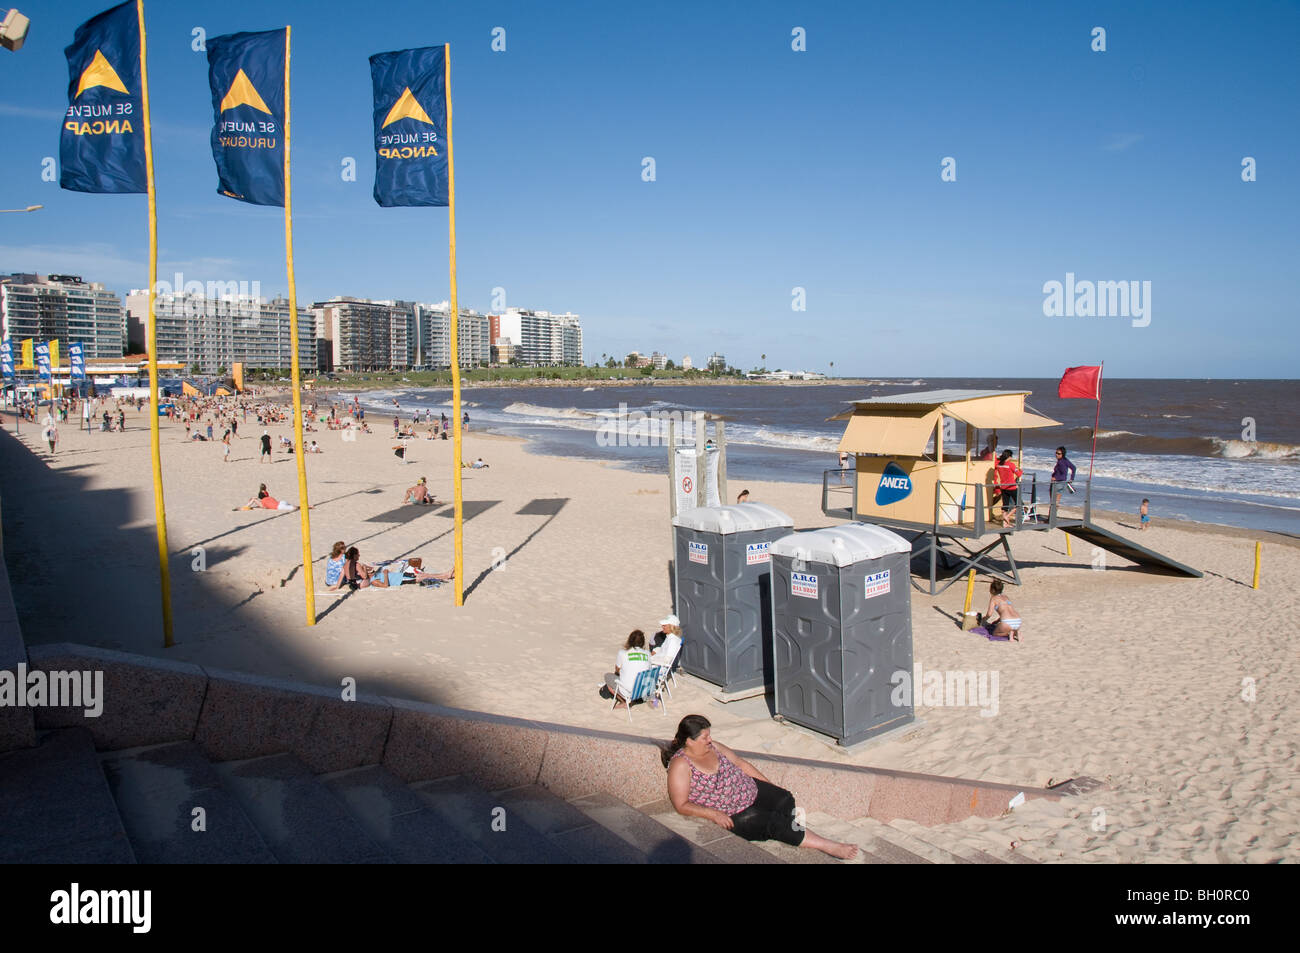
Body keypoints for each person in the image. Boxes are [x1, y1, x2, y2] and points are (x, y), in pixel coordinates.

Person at [664, 715, 858, 860]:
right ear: (689, 741)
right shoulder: (681, 764)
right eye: (704, 737)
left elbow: (741, 764)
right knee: (774, 822)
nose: (710, 740)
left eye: (709, 735)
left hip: (750, 789)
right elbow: (681, 804)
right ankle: (827, 845)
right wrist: (713, 815)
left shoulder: (714, 748)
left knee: (785, 798)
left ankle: (792, 834)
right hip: (732, 811)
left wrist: (770, 786)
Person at [604, 630, 652, 708]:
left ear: (630, 640)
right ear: (643, 642)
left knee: (607, 676)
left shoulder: (622, 653)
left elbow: (617, 669)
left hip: (628, 690)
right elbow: (649, 669)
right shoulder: (647, 654)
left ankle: (625, 702)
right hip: (642, 690)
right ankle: (629, 701)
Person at [995, 450, 1022, 528]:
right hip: (1011, 487)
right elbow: (1019, 474)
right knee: (1018, 504)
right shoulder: (1011, 465)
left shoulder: (999, 465)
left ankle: (1005, 523)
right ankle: (1007, 516)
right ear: (1009, 457)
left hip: (1003, 487)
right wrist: (1020, 470)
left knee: (1005, 505)